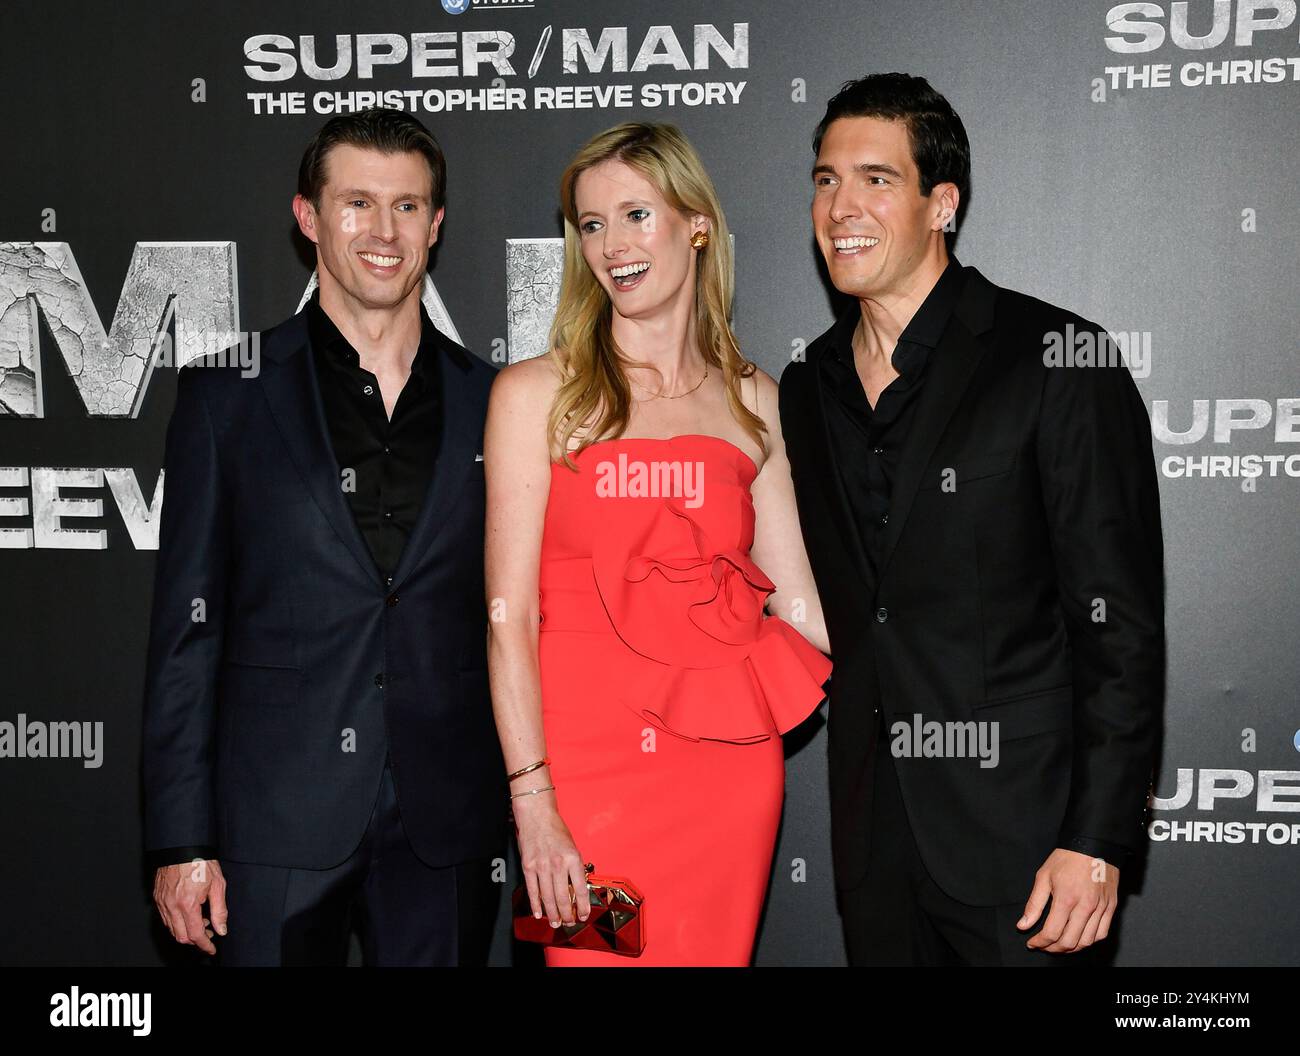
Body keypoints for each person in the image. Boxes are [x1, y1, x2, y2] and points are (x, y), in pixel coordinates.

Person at [779, 73, 1165, 966]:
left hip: (1028, 844)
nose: (841, 205)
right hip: (873, 840)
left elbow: (1120, 627)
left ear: (940, 203)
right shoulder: (808, 387)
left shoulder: (1057, 360)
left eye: (876, 179)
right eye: (826, 179)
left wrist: (1099, 839)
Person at [142, 108, 507, 966]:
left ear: (437, 224)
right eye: (357, 203)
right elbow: (185, 637)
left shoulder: (499, 400)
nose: (384, 231)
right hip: (270, 821)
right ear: (308, 218)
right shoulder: (226, 396)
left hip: (447, 819)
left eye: (408, 206)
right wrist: (179, 840)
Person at [484, 122, 831, 967]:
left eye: (636, 214)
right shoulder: (537, 395)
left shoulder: (754, 399)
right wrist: (534, 805)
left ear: (697, 223)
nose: (612, 245)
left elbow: (805, 611)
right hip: (582, 779)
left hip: (726, 775)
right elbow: (507, 618)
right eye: (592, 225)